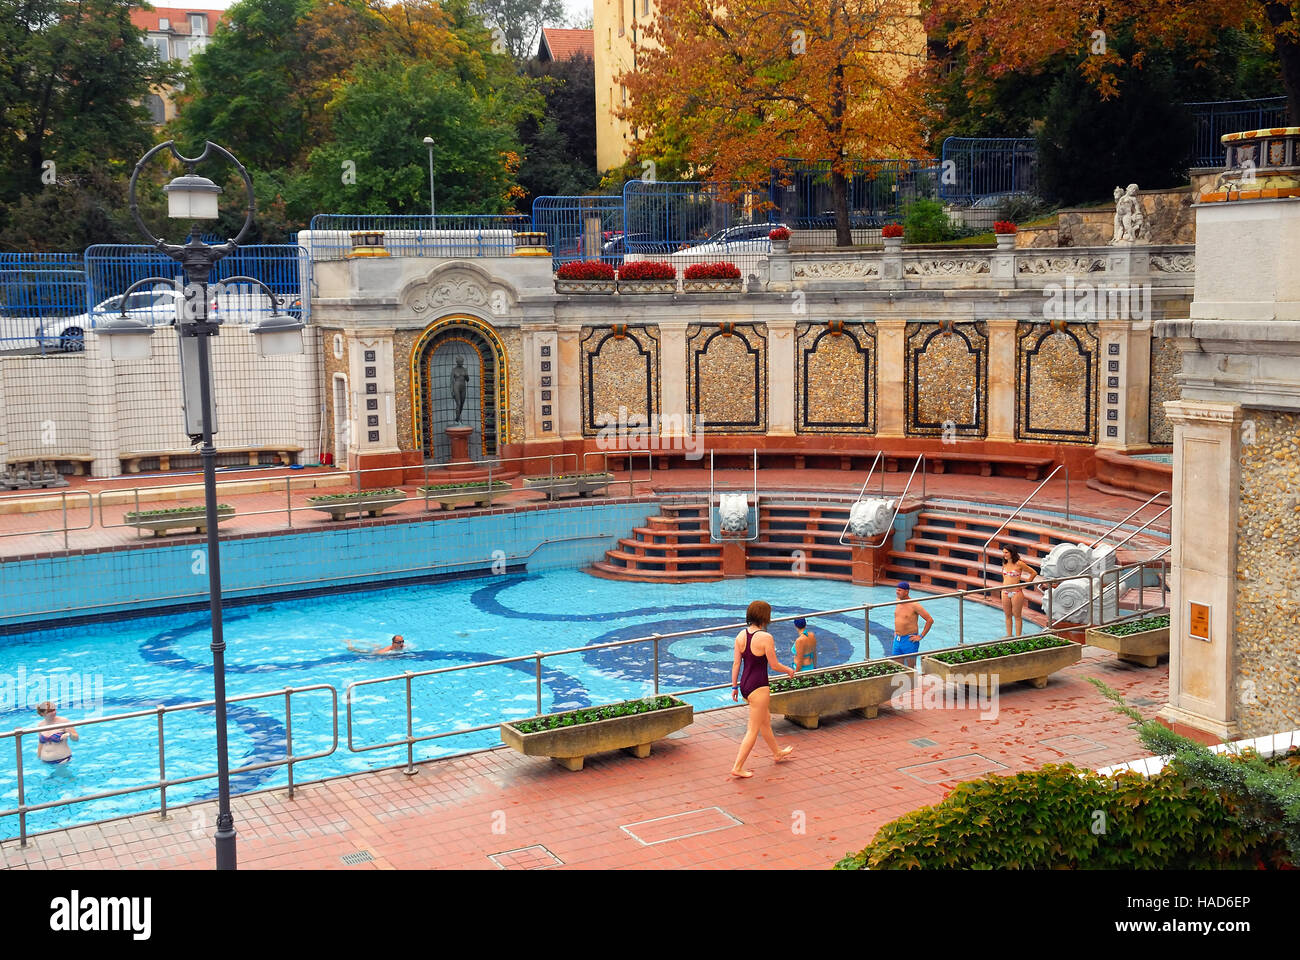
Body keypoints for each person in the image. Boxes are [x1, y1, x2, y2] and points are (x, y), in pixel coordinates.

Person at [729, 600, 797, 779]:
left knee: (764, 720)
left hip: (745, 685)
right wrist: (789, 670)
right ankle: (738, 766)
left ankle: (777, 753)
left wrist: (734, 686)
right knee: (753, 729)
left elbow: (736, 663)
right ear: (765, 617)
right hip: (759, 687)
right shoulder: (766, 638)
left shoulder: (740, 636)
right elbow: (774, 665)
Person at [891, 582, 932, 669]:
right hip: (897, 639)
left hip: (909, 640)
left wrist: (921, 636)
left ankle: (913, 682)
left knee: (911, 668)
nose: (897, 592)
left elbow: (930, 620)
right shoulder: (898, 601)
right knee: (898, 667)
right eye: (896, 590)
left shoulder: (914, 605)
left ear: (906, 592)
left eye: (899, 590)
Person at [1000, 545, 1038, 637]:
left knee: (1017, 616)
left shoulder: (1019, 563)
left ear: (1012, 553)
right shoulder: (1004, 563)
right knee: (1007, 616)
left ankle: (1018, 637)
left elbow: (1033, 573)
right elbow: (1005, 577)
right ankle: (1009, 636)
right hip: (1004, 592)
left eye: (1006, 552)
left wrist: (1025, 585)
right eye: (1003, 552)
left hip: (1016, 592)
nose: (1004, 554)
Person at [35, 701, 79, 766]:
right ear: (42, 714)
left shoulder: (63, 721)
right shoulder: (40, 725)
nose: (53, 712)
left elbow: (76, 739)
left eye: (54, 710)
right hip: (45, 762)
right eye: (50, 711)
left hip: (62, 760)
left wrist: (69, 734)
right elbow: (40, 743)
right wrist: (38, 758)